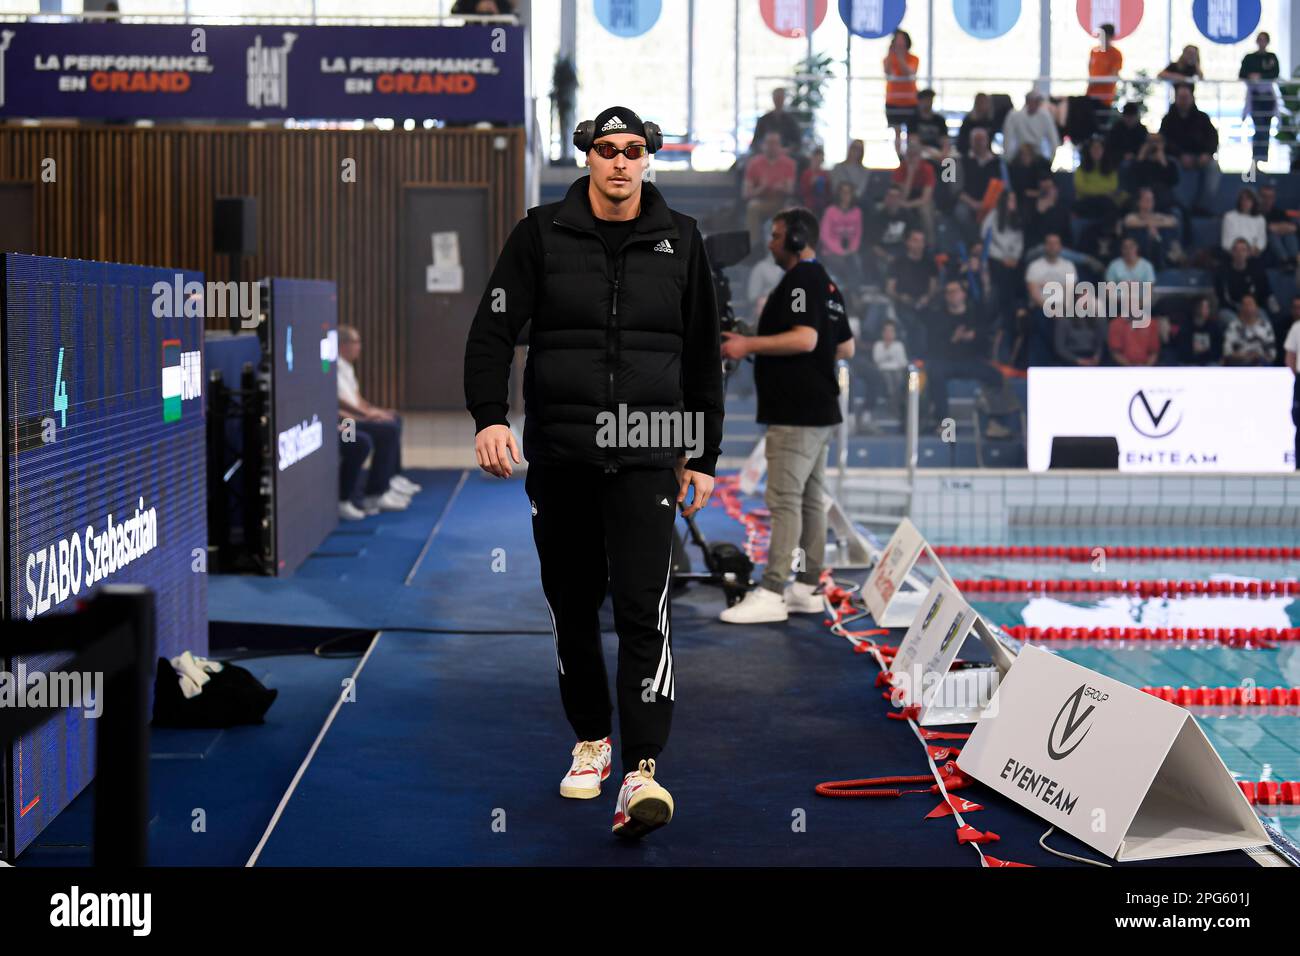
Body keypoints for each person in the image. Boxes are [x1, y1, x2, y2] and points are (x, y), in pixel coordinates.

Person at [463, 106, 724, 839]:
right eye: (606, 150)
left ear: (648, 159)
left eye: (632, 150)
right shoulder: (541, 235)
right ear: (586, 157)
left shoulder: (683, 240)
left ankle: (641, 765)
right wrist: (489, 415)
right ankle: (591, 741)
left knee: (644, 608)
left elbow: (703, 355)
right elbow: (492, 329)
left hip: (648, 450)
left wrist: (701, 454)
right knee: (573, 607)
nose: (619, 162)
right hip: (563, 455)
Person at [719, 207, 853, 624]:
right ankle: (807, 586)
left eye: (777, 236)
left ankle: (773, 590)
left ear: (796, 239)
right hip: (820, 411)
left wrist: (747, 346)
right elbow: (844, 347)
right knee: (811, 499)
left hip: (797, 413)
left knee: (783, 501)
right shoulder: (827, 282)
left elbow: (805, 338)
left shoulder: (801, 281)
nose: (772, 243)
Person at [337, 324, 421, 513]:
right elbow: (336, 403)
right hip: (345, 422)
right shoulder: (332, 367)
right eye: (356, 342)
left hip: (356, 417)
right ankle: (374, 494)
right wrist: (367, 416)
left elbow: (357, 399)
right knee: (382, 432)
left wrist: (376, 411)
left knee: (393, 420)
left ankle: (391, 479)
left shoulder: (347, 367)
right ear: (343, 345)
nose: (359, 346)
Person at [922, 279, 1004, 430]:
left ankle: (994, 422)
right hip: (947, 361)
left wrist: (973, 336)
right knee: (934, 372)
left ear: (963, 294)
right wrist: (953, 339)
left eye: (955, 291)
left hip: (970, 360)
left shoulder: (975, 314)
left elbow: (985, 338)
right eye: (948, 292)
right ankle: (943, 422)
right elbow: (932, 346)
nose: (952, 295)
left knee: (996, 376)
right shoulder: (938, 316)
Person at [1158, 84, 1220, 214]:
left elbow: (1213, 138)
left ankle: (1202, 207)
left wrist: (1207, 154)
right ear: (1176, 98)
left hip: (1200, 157)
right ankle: (1180, 206)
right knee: (1169, 166)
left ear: (1192, 98)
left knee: (1213, 167)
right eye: (1181, 97)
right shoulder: (1168, 120)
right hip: (1176, 158)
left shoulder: (1203, 118)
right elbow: (1164, 141)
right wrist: (1180, 155)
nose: (1183, 100)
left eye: (1186, 97)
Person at [743, 131, 797, 257]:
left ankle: (789, 247)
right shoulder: (754, 163)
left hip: (781, 202)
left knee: (792, 210)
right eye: (769, 143)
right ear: (763, 145)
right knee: (752, 206)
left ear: (780, 146)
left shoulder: (789, 163)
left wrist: (781, 188)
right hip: (761, 201)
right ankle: (754, 246)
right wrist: (761, 188)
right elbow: (746, 193)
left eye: (775, 143)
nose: (772, 146)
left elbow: (791, 190)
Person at [820, 181, 865, 303]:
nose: (846, 195)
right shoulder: (830, 211)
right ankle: (854, 294)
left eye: (848, 192)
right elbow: (824, 235)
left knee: (855, 261)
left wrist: (852, 249)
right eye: (843, 192)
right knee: (849, 264)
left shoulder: (857, 212)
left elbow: (857, 234)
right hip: (831, 252)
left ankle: (851, 294)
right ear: (838, 194)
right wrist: (839, 251)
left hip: (850, 251)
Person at [1240, 32, 1281, 166]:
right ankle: (1256, 159)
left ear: (1267, 42)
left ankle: (1261, 159)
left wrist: (1260, 75)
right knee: (1258, 127)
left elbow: (1275, 73)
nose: (1261, 42)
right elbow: (1242, 74)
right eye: (1260, 39)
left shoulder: (1271, 57)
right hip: (1255, 96)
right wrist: (1252, 76)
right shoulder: (1250, 58)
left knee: (1265, 128)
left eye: (1264, 40)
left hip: (1267, 98)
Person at [954, 126, 1000, 244]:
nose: (979, 143)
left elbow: (1004, 186)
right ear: (970, 142)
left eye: (982, 140)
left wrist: (987, 203)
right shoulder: (958, 161)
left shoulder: (998, 162)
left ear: (987, 141)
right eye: (976, 140)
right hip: (967, 201)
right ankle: (972, 243)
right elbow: (955, 189)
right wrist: (973, 203)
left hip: (992, 202)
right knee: (961, 213)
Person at [1122, 185, 1181, 269]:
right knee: (1144, 232)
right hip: (1140, 250)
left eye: (1152, 199)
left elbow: (1173, 221)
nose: (1150, 202)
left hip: (1161, 249)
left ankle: (1171, 256)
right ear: (1139, 202)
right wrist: (1152, 224)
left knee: (1163, 232)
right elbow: (1129, 221)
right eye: (1146, 199)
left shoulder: (1157, 215)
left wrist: (1153, 223)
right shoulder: (1133, 216)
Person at [892, 140, 936, 244]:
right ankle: (900, 243)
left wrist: (908, 205)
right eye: (909, 155)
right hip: (906, 198)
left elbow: (925, 199)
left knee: (925, 211)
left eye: (915, 155)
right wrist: (910, 174)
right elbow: (903, 196)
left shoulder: (927, 169)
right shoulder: (901, 169)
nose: (912, 158)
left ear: (920, 155)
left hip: (921, 201)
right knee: (896, 207)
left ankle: (931, 244)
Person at [883, 29, 920, 154]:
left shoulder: (913, 58)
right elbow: (887, 71)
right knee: (897, 133)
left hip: (910, 101)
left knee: (912, 134)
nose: (899, 43)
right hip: (893, 101)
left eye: (901, 40)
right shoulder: (889, 58)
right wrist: (891, 53)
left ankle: (911, 155)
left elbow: (909, 72)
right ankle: (900, 159)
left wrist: (900, 57)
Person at [337, 416, 376, 521]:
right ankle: (344, 499)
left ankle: (379, 490)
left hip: (343, 420)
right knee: (361, 443)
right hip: (343, 420)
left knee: (391, 423)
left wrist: (369, 411)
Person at [1003, 91, 1060, 162]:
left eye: (1037, 102)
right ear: (1027, 101)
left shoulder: (1045, 116)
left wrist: (1051, 158)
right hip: (1019, 154)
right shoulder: (1014, 116)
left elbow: (1053, 138)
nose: (1035, 104)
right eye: (1033, 101)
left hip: (1038, 155)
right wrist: (1008, 157)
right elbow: (1008, 137)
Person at [1222, 294, 1276, 366]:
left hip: (1260, 363)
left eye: (1250, 304)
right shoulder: (1233, 327)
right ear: (1241, 308)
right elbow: (1227, 352)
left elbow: (1272, 354)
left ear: (1256, 307)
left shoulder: (1265, 326)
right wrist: (1244, 356)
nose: (1248, 308)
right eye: (1245, 305)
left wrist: (1258, 356)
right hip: (1240, 363)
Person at [1173, 294, 1224, 365]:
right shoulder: (1185, 327)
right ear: (1196, 308)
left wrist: (1206, 354)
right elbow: (1181, 352)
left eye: (1208, 307)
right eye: (1205, 307)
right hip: (1190, 362)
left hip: (1209, 362)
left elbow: (1218, 349)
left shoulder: (1214, 327)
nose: (1207, 310)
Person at [750, 87, 802, 156]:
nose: (778, 100)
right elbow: (755, 142)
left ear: (784, 99)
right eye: (777, 97)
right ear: (773, 99)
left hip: (787, 155)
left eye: (780, 98)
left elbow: (797, 143)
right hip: (765, 155)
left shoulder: (791, 121)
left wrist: (787, 150)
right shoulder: (763, 120)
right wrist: (764, 148)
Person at [1258, 183, 1300, 271]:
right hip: (1264, 246)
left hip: (1286, 242)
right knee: (1273, 236)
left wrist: (1276, 228)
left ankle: (1293, 260)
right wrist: (1273, 228)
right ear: (1259, 197)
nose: (1267, 200)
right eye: (1264, 196)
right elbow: (1264, 229)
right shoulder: (1255, 213)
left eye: (1270, 197)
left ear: (1274, 198)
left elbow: (1293, 228)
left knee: (1290, 235)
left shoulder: (1279, 213)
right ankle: (1284, 260)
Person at [1222, 188, 1267, 258]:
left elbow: (1262, 241)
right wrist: (1239, 250)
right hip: (1233, 253)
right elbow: (1226, 242)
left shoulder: (1260, 219)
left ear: (1253, 202)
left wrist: (1255, 249)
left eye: (1248, 200)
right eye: (1243, 199)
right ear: (1239, 201)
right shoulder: (1229, 217)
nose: (1245, 202)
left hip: (1253, 254)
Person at [1086, 24, 1122, 109]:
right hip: (1090, 94)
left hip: (1105, 97)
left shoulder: (1116, 54)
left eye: (1105, 35)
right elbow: (1090, 68)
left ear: (1111, 36)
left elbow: (1114, 75)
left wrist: (1096, 81)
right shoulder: (1094, 51)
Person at [829, 138, 869, 204]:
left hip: (857, 202)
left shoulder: (865, 171)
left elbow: (861, 190)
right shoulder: (838, 168)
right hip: (839, 202)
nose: (856, 151)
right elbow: (834, 187)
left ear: (862, 152)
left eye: (859, 149)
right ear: (850, 148)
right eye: (854, 148)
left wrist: (851, 197)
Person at [799, 145, 832, 216]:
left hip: (822, 205)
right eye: (816, 160)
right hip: (809, 205)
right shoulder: (806, 174)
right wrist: (811, 183)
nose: (818, 163)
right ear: (812, 158)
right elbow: (802, 192)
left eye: (820, 160)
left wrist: (827, 182)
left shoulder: (825, 174)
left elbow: (828, 192)